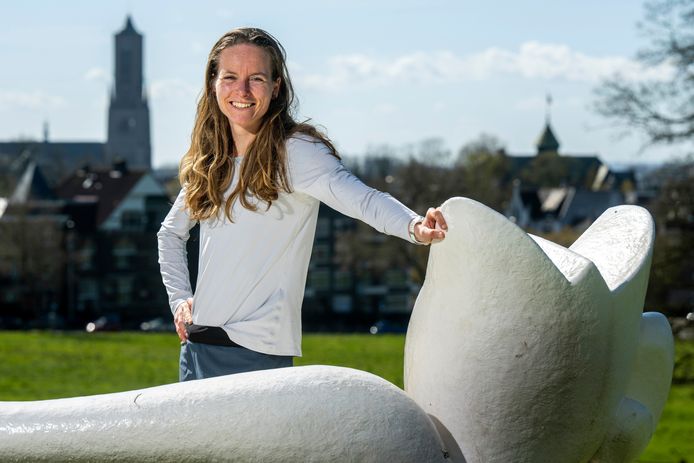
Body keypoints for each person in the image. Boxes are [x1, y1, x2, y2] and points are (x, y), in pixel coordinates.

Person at [157, 27, 447, 382]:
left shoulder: (297, 152)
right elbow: (170, 235)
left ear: (276, 86)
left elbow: (363, 199)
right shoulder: (212, 159)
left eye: (256, 79)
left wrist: (416, 225)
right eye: (230, 77)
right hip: (196, 349)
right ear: (214, 83)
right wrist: (180, 300)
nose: (242, 91)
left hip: (255, 356)